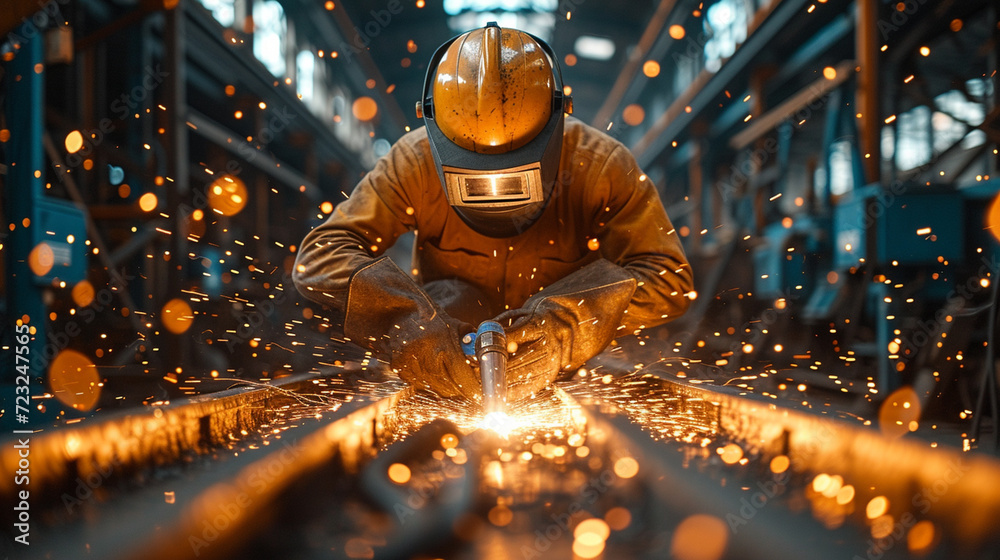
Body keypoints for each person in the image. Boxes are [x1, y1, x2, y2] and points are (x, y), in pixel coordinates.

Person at [293, 22, 693, 402]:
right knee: (455, 297)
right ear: (432, 125)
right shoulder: (413, 162)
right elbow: (319, 259)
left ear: (558, 118)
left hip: (561, 375)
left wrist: (566, 327)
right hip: (447, 371)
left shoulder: (602, 166)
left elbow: (669, 278)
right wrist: (407, 321)